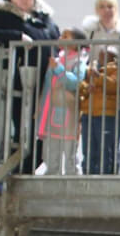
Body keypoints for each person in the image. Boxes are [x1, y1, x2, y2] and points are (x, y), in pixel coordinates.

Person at [0, 0, 61, 175]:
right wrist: (17, 36)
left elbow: (57, 40)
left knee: (42, 129)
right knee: (21, 125)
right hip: (19, 83)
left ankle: (28, 165)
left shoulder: (46, 21)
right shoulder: (2, 17)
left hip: (46, 82)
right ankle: (17, 167)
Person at [36, 28, 85, 175]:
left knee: (69, 147)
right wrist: (40, 108)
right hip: (51, 111)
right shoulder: (57, 60)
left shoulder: (79, 62)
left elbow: (76, 82)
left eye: (65, 36)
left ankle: (71, 176)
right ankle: (52, 173)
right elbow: (47, 87)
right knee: (51, 149)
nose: (60, 37)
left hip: (69, 112)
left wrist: (58, 69)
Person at [80, 45, 120, 175]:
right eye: (100, 54)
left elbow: (113, 86)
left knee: (104, 149)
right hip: (89, 112)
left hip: (105, 114)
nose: (101, 56)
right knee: (88, 148)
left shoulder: (116, 70)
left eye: (105, 54)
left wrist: (98, 77)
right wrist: (86, 88)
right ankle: (87, 174)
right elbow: (82, 85)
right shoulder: (90, 69)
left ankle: (105, 175)